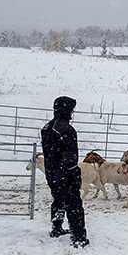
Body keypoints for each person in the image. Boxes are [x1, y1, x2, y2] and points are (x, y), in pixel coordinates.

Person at [40, 95, 88, 247]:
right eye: (71, 109)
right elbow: (69, 157)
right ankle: (78, 237)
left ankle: (57, 227)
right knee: (74, 205)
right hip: (65, 174)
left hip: (51, 173)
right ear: (66, 109)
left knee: (58, 200)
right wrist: (75, 173)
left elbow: (50, 153)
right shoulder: (67, 130)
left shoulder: (47, 128)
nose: (73, 112)